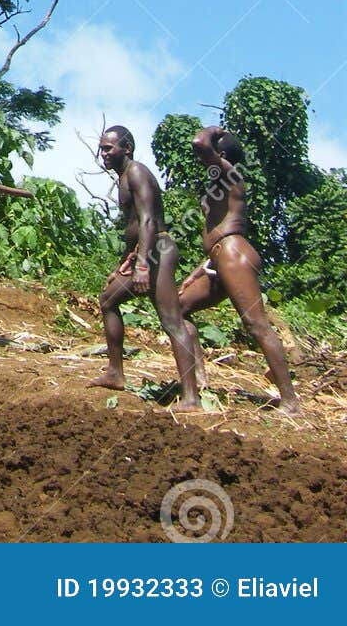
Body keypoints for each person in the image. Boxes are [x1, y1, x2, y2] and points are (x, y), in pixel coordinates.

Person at [177, 125, 299, 415]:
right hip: (219, 258)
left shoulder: (230, 174)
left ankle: (290, 401)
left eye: (211, 155)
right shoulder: (218, 183)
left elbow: (198, 142)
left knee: (256, 325)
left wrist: (213, 129)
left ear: (220, 155)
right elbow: (214, 235)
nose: (202, 161)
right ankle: (199, 381)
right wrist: (197, 272)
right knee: (178, 308)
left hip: (233, 255)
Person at [91, 125, 200, 411]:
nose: (103, 153)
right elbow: (135, 228)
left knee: (171, 320)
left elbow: (149, 221)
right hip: (145, 253)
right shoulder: (124, 177)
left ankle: (191, 397)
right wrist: (123, 264)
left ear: (126, 148)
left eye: (108, 148)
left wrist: (142, 267)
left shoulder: (137, 172)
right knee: (108, 300)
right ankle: (115, 373)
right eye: (102, 148)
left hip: (158, 251)